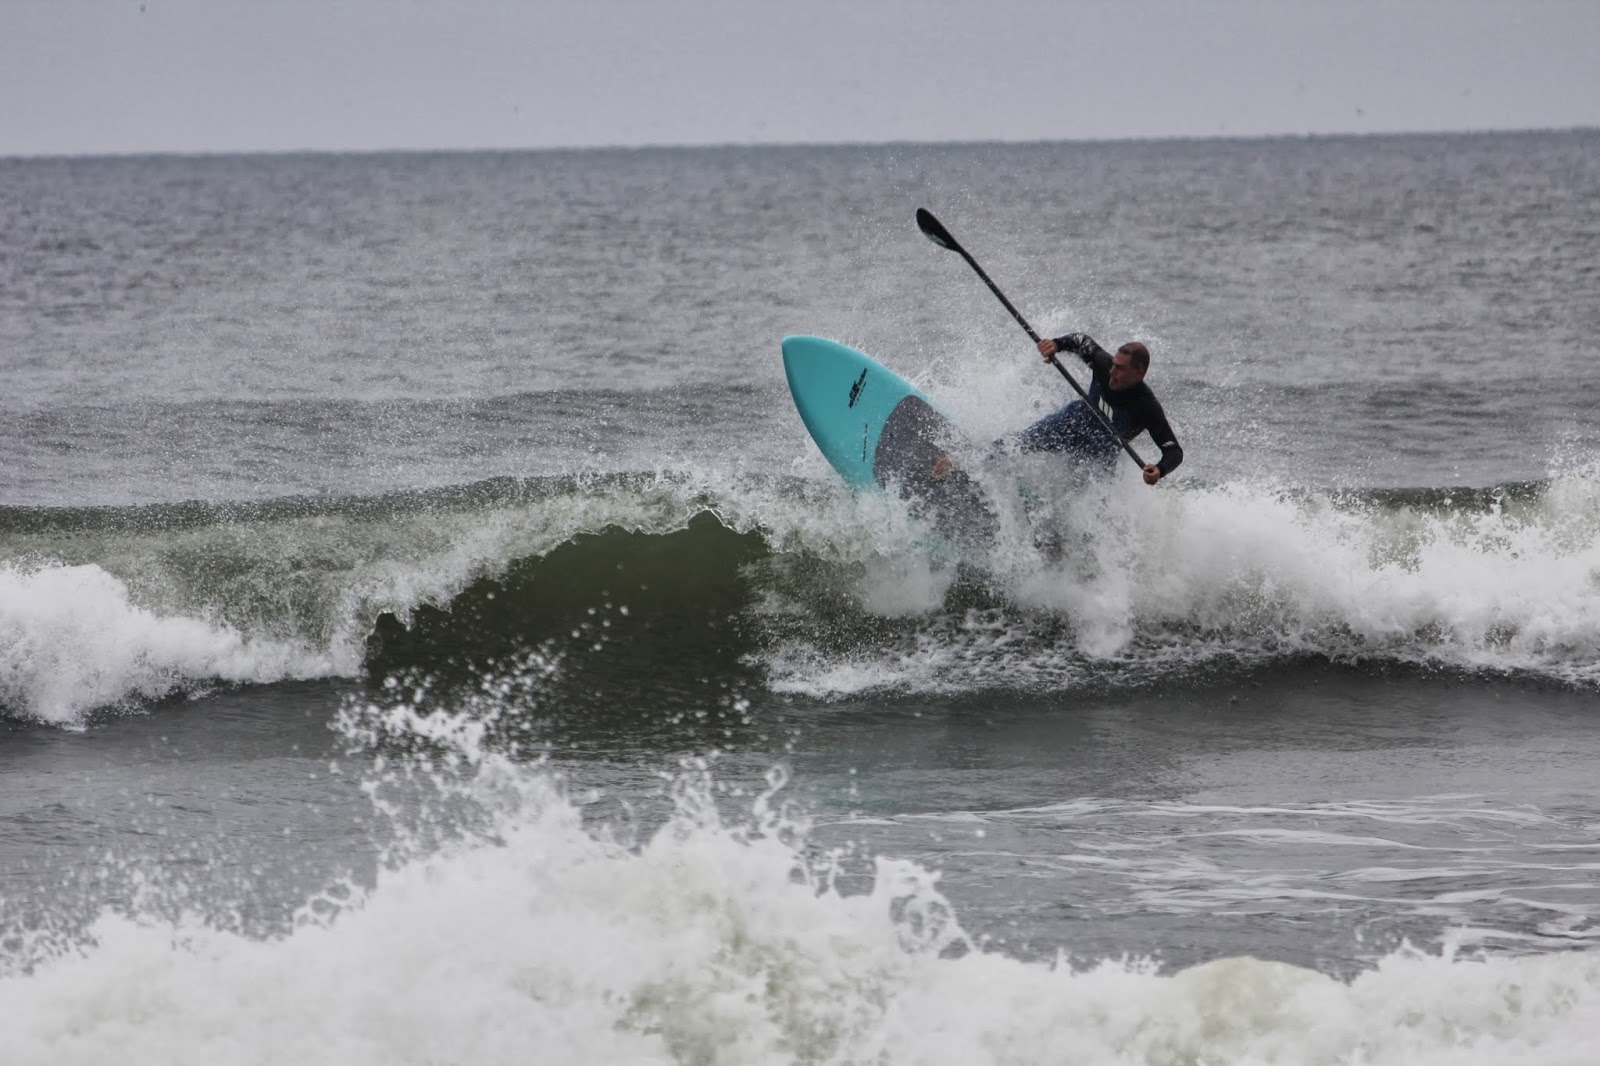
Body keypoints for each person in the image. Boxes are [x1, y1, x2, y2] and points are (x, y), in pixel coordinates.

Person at [1016, 334, 1182, 485]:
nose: (1112, 372)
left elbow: (1173, 451)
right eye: (1114, 365)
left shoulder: (1147, 407)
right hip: (1067, 425)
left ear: (1139, 373)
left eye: (1120, 369)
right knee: (1014, 445)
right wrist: (1056, 344)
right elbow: (1080, 340)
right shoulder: (1103, 364)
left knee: (1091, 510)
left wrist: (1159, 470)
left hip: (1099, 458)